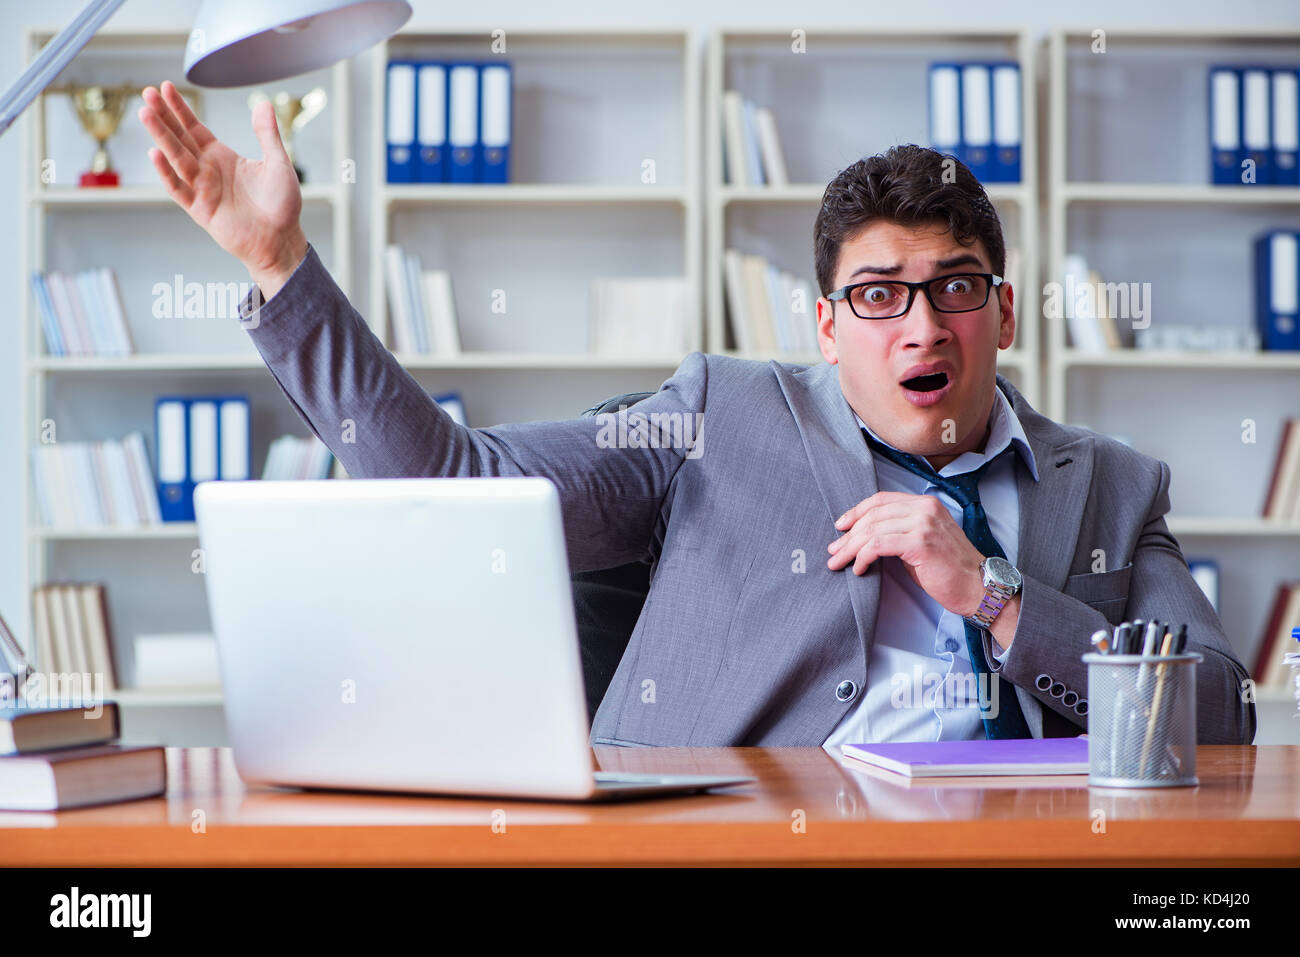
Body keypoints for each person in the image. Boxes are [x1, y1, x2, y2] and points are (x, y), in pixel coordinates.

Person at [137, 81, 1254, 747]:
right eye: (877, 297)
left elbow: (1217, 716)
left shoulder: (1109, 483)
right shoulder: (718, 419)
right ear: (825, 327)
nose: (920, 328)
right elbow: (455, 490)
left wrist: (995, 598)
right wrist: (280, 267)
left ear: (1002, 312)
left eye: (954, 288)